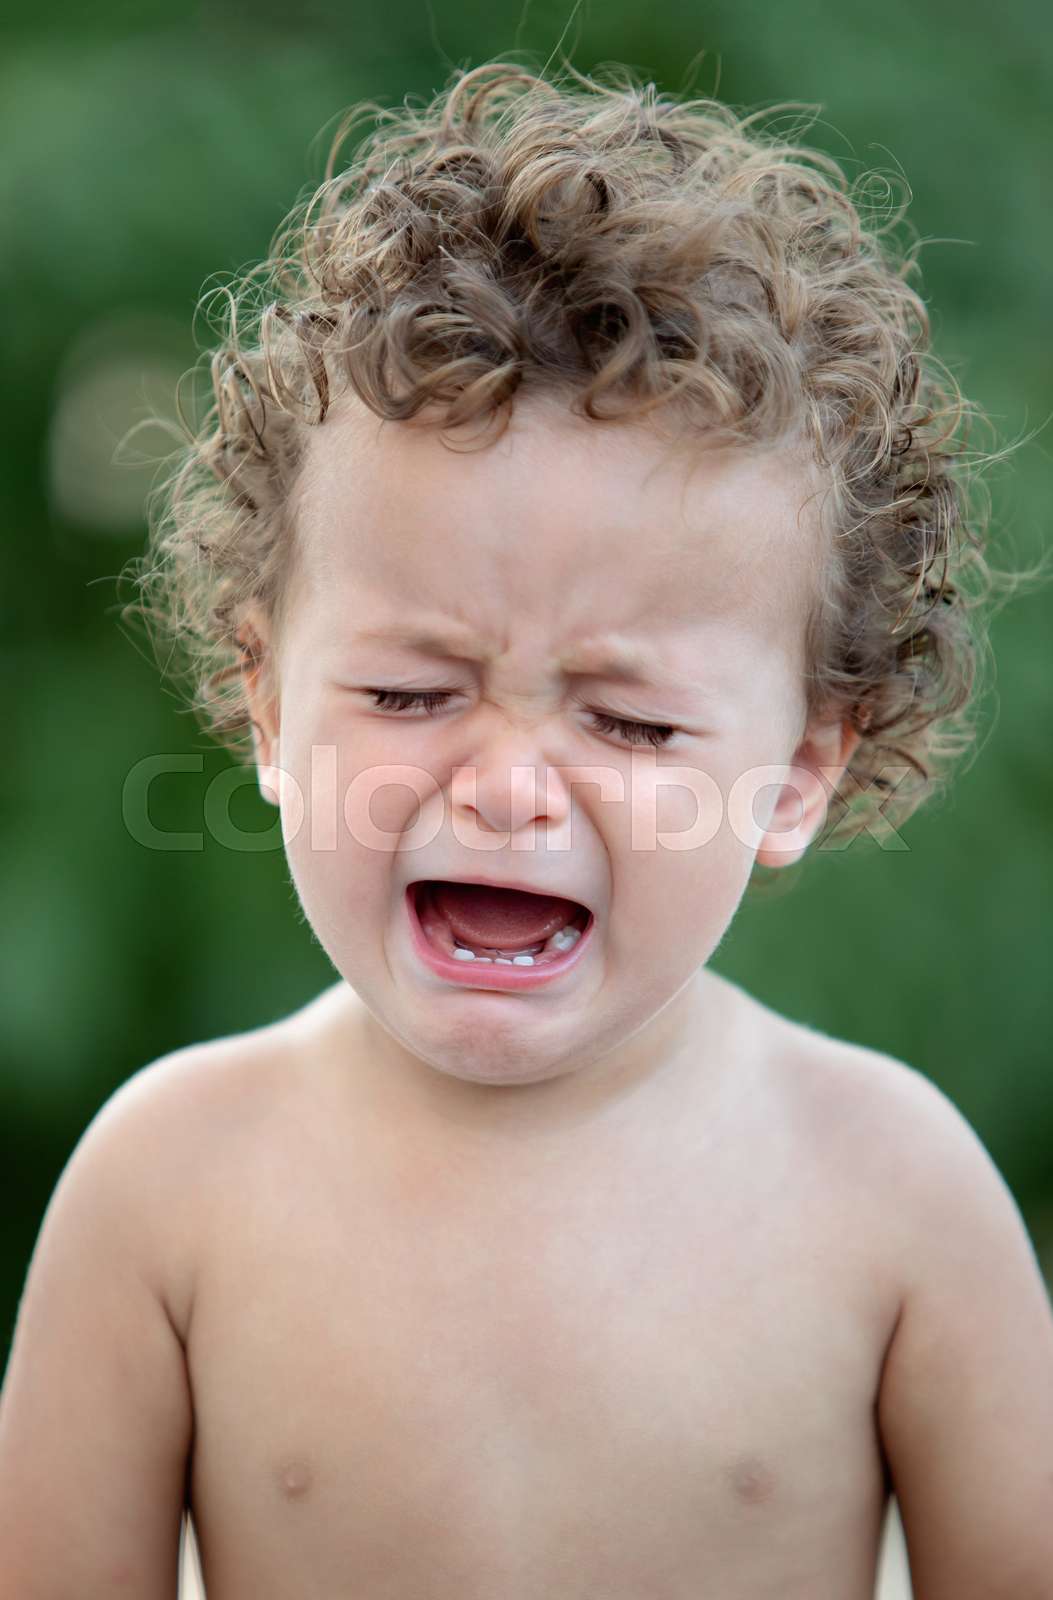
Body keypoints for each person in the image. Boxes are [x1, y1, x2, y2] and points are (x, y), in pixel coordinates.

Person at [3, 56, 1051, 1600]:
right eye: (415, 692)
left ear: (800, 769)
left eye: (627, 722)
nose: (505, 785)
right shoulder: (168, 1190)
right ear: (268, 703)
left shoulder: (890, 1193)